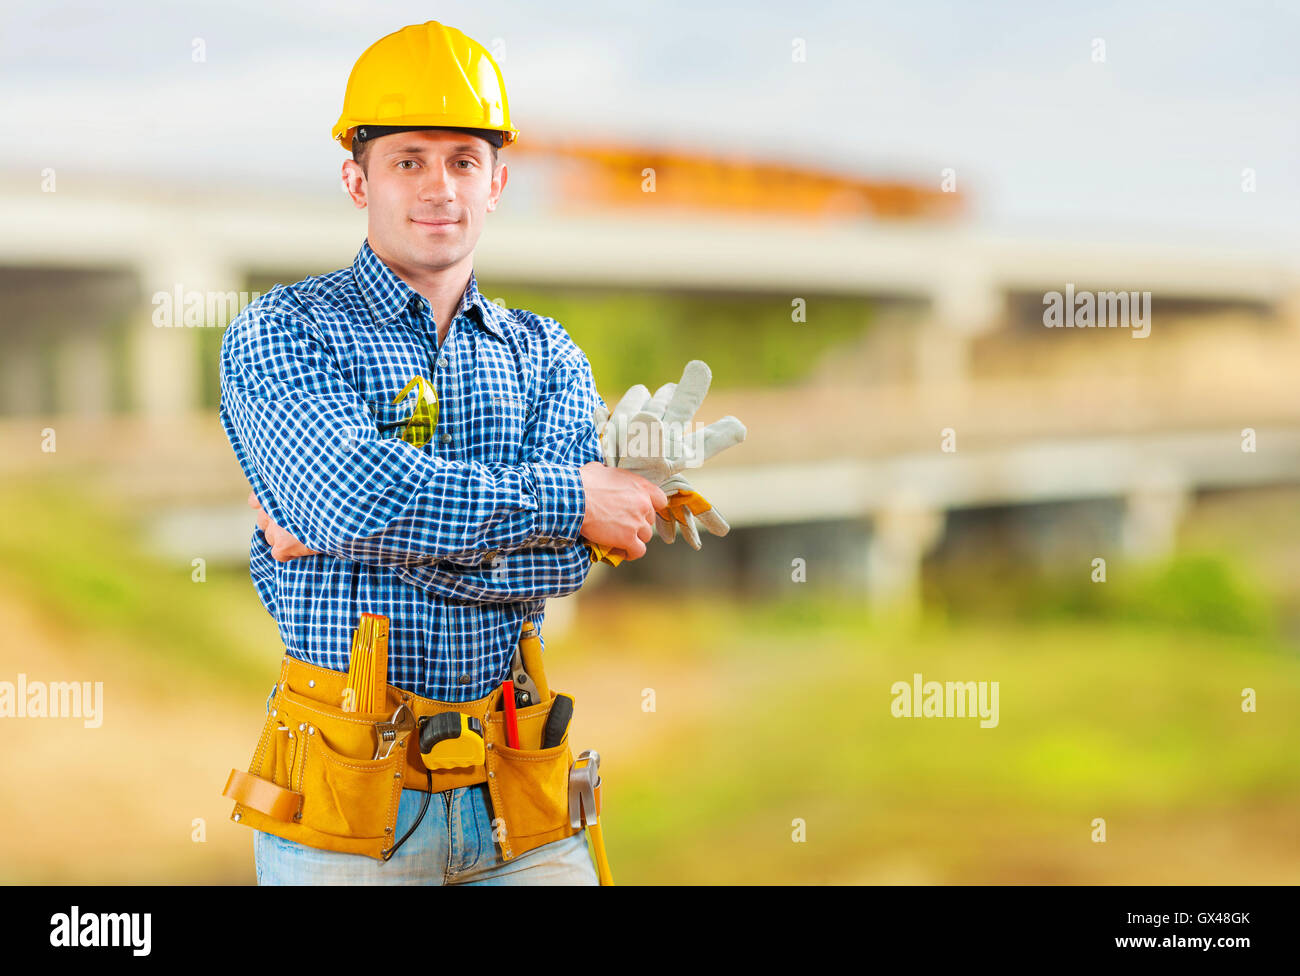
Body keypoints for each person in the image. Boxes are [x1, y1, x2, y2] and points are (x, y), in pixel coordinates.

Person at [219, 21, 668, 885]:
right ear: (358, 178)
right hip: (346, 807)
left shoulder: (547, 354)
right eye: (408, 160)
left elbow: (564, 570)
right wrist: (568, 499)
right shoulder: (284, 332)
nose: (439, 187)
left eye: (463, 159)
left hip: (523, 795)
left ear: (497, 182)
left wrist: (350, 536)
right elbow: (353, 498)